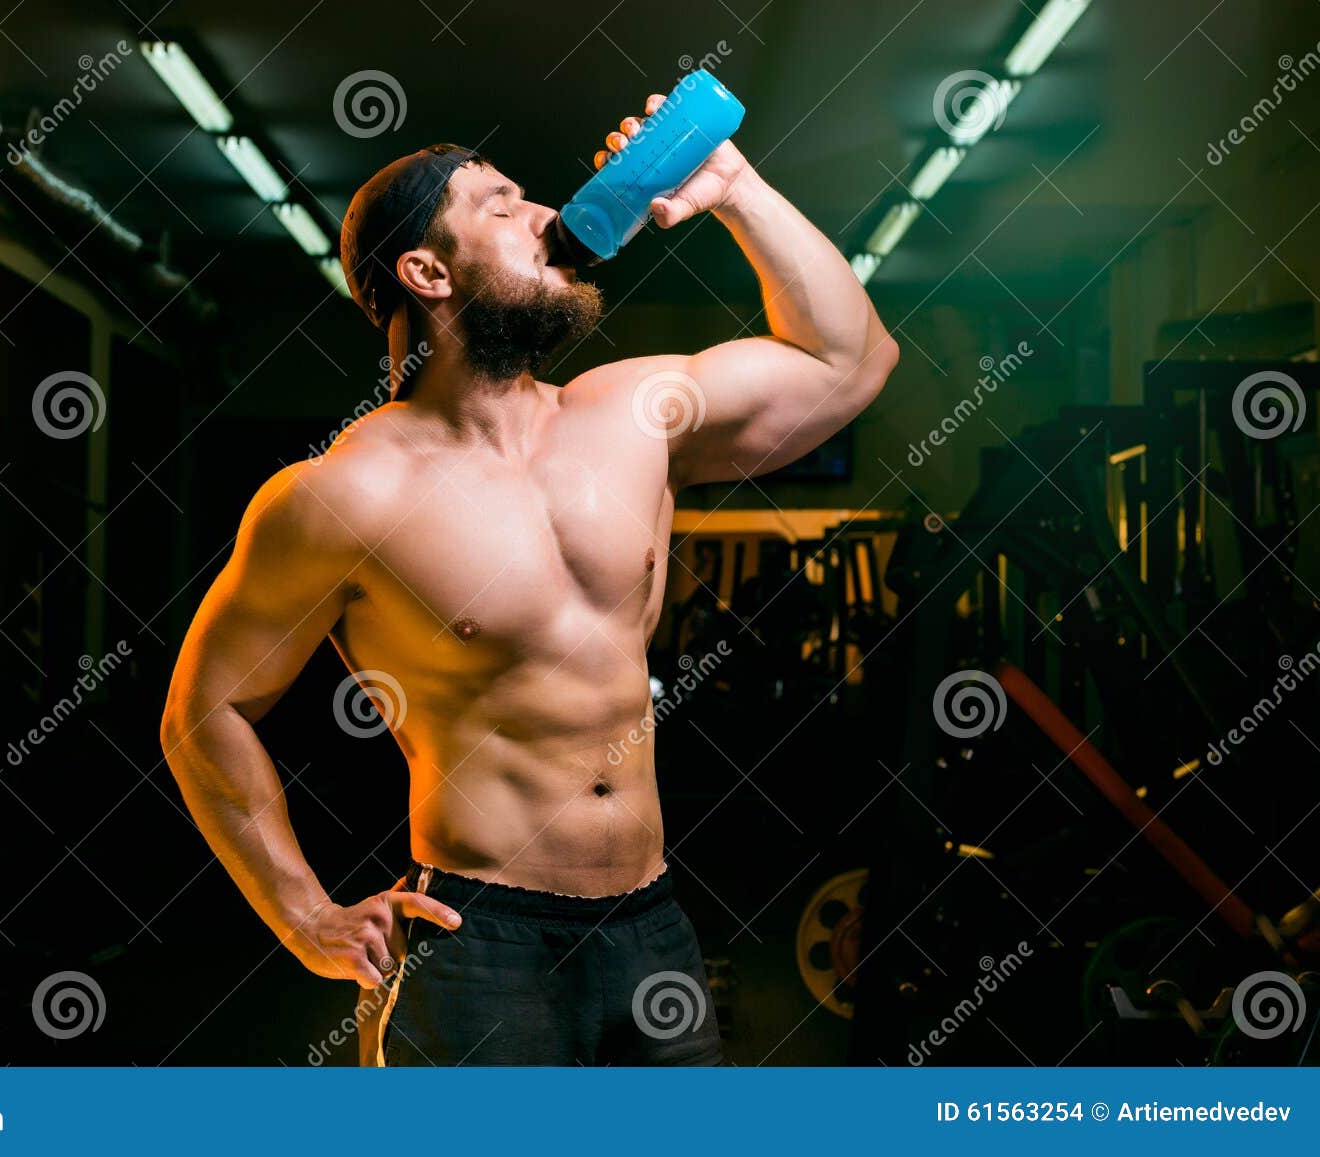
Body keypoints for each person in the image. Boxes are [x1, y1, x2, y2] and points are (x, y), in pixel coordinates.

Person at [160, 91, 899, 1065]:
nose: (549, 214)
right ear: (427, 271)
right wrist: (305, 915)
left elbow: (851, 359)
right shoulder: (342, 495)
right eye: (502, 206)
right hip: (479, 948)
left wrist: (737, 189)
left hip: (653, 929)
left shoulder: (631, 412)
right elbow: (203, 712)